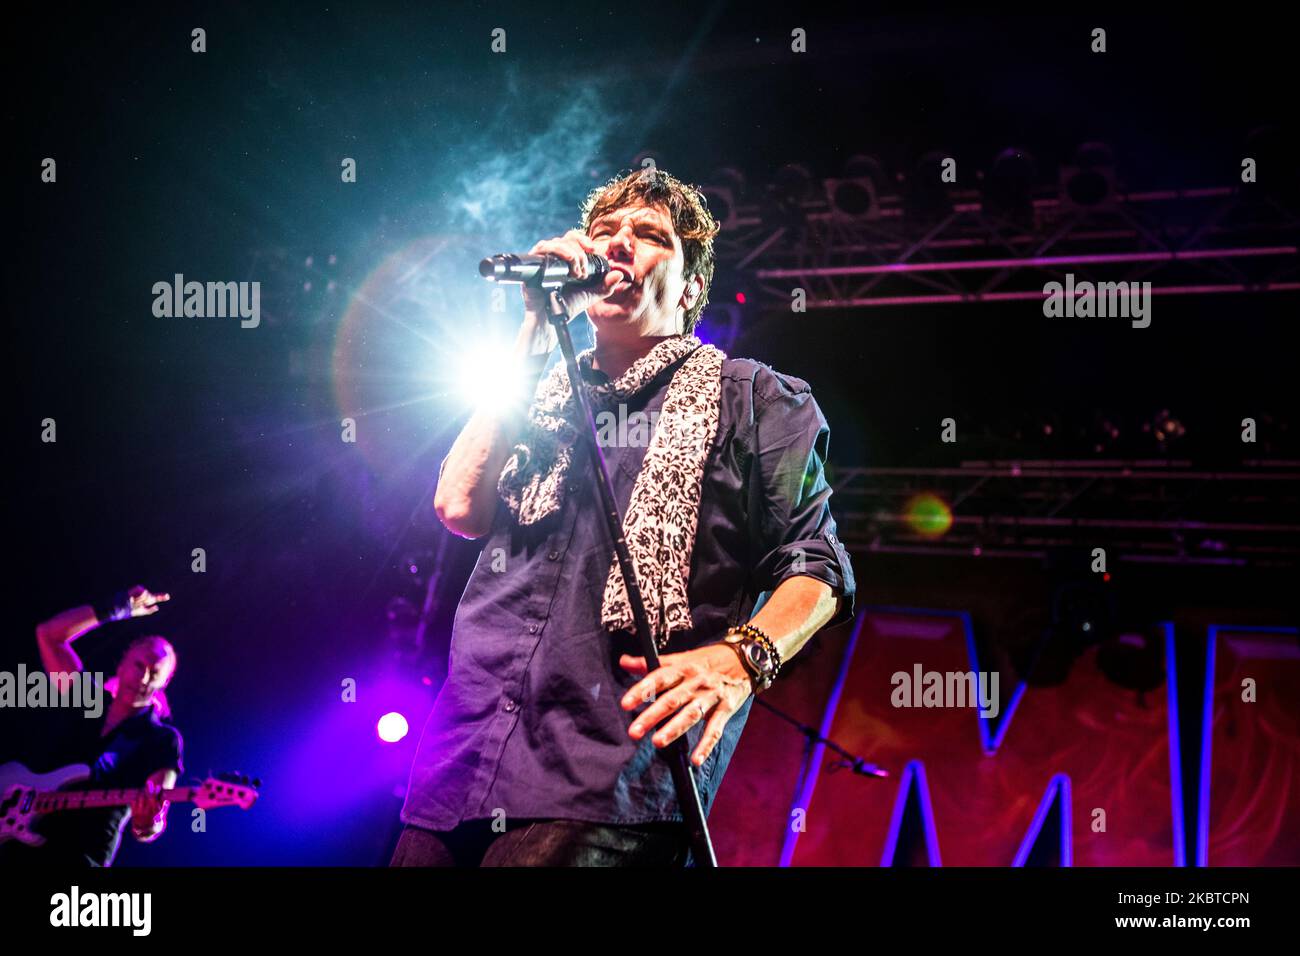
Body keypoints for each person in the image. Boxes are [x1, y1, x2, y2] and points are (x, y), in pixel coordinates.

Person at [391, 168, 855, 867]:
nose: (617, 247)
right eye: (604, 233)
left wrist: (739, 658)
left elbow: (817, 564)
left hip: (608, 782)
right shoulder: (541, 393)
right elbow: (459, 505)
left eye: (646, 236)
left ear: (693, 288)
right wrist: (534, 329)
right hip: (461, 768)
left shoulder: (752, 399)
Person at [5, 586, 184, 866]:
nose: (144, 677)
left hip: (81, 857)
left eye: (155, 673)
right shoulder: (89, 701)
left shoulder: (161, 739)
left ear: (164, 683)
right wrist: (117, 607)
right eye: (139, 665)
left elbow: (152, 824)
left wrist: (148, 821)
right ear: (122, 665)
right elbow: (49, 635)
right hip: (17, 840)